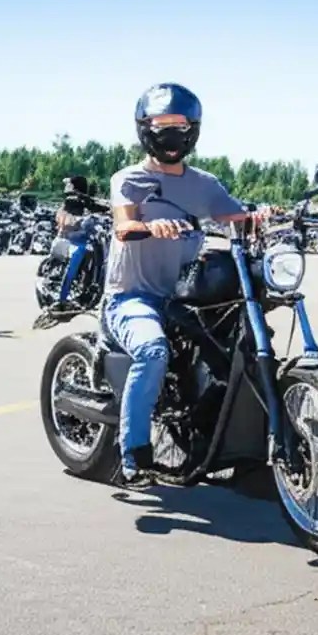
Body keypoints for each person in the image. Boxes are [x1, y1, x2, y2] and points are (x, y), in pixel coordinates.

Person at [104, 82, 266, 487]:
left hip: (185, 296)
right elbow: (124, 226)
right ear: (144, 127)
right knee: (153, 350)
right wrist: (148, 225)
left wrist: (262, 216)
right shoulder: (129, 178)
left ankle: (245, 455)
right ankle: (134, 456)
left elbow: (236, 217)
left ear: (193, 128)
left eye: (179, 124)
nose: (170, 133)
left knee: (241, 347)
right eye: (161, 124)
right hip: (132, 296)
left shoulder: (205, 184)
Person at [53, 176, 108, 308]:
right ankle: (62, 298)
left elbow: (93, 205)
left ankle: (87, 287)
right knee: (78, 254)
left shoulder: (82, 199)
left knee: (93, 251)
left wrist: (110, 209)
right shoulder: (72, 199)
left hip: (81, 236)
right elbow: (90, 204)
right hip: (69, 238)